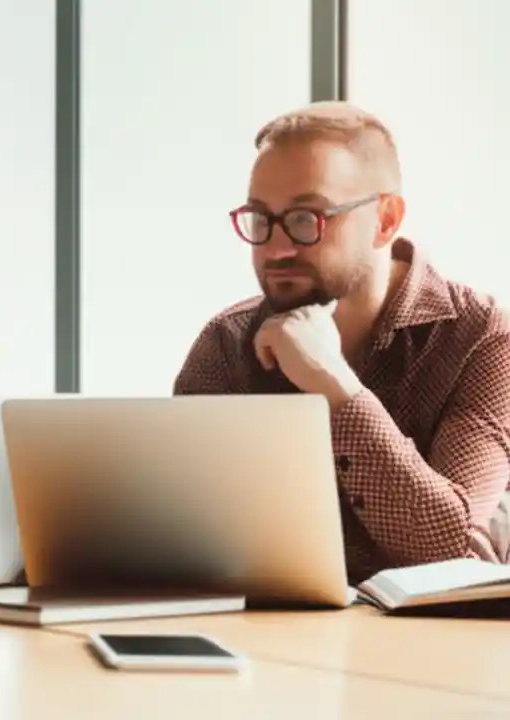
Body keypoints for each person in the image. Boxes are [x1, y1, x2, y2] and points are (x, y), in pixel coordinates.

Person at [174, 101, 510, 583]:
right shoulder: (226, 343)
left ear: (385, 220)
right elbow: (179, 534)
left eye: (307, 218)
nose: (275, 248)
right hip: (264, 641)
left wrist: (334, 386)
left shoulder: (481, 337)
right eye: (261, 218)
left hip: (428, 653)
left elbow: (454, 552)